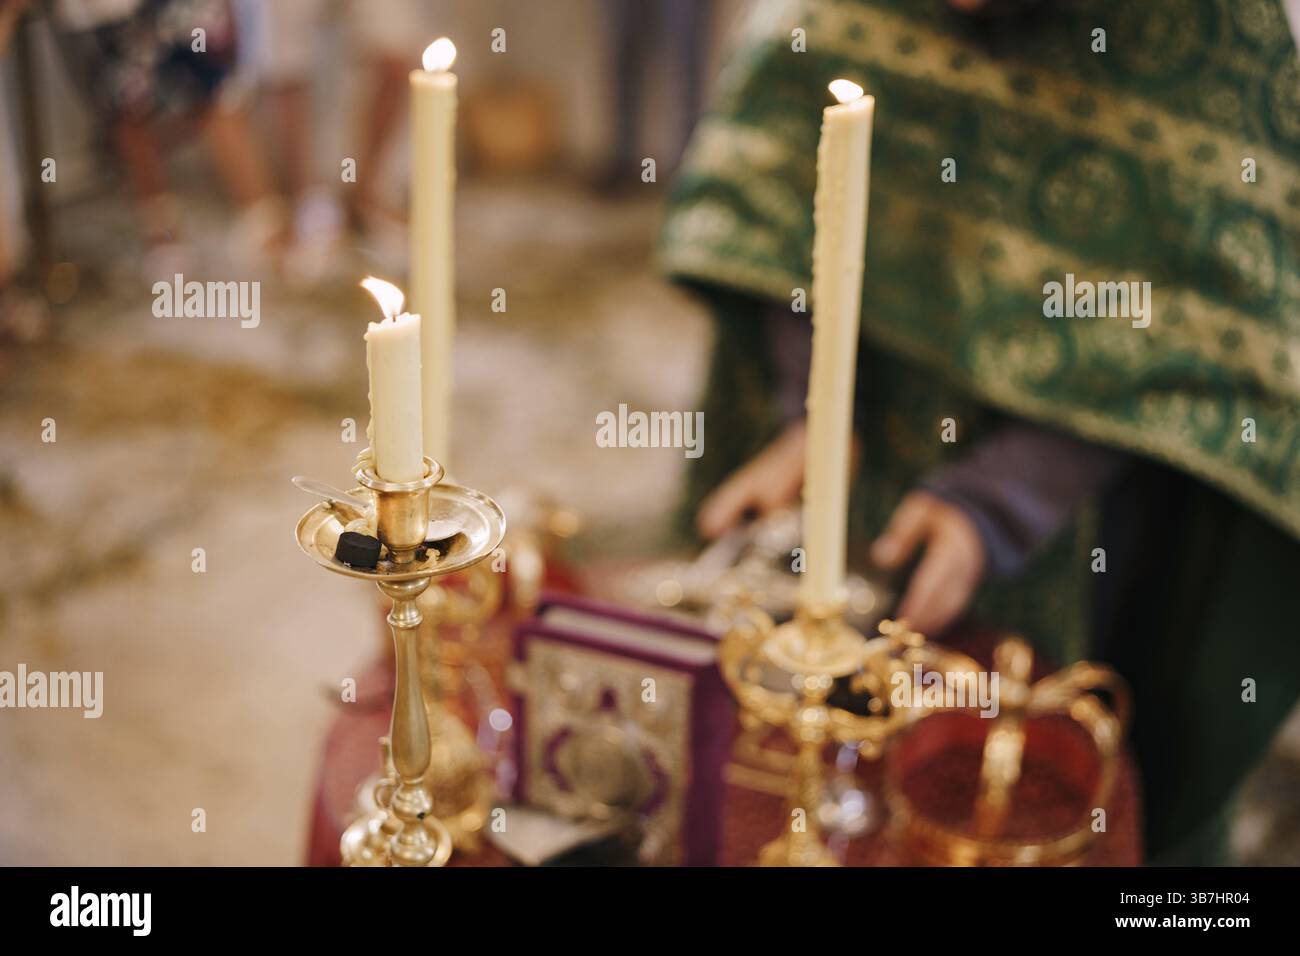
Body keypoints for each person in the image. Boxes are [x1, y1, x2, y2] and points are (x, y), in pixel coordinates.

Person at [659, 0, 1300, 863]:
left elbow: (1199, 314)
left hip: (1085, 501)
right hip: (853, 427)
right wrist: (811, 407)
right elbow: (777, 189)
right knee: (794, 737)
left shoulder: (1213, 32)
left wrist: (1010, 493)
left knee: (1006, 773)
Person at [53, 0, 282, 278]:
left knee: (215, 90)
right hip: (109, 9)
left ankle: (267, 228)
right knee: (128, 104)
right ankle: (162, 236)